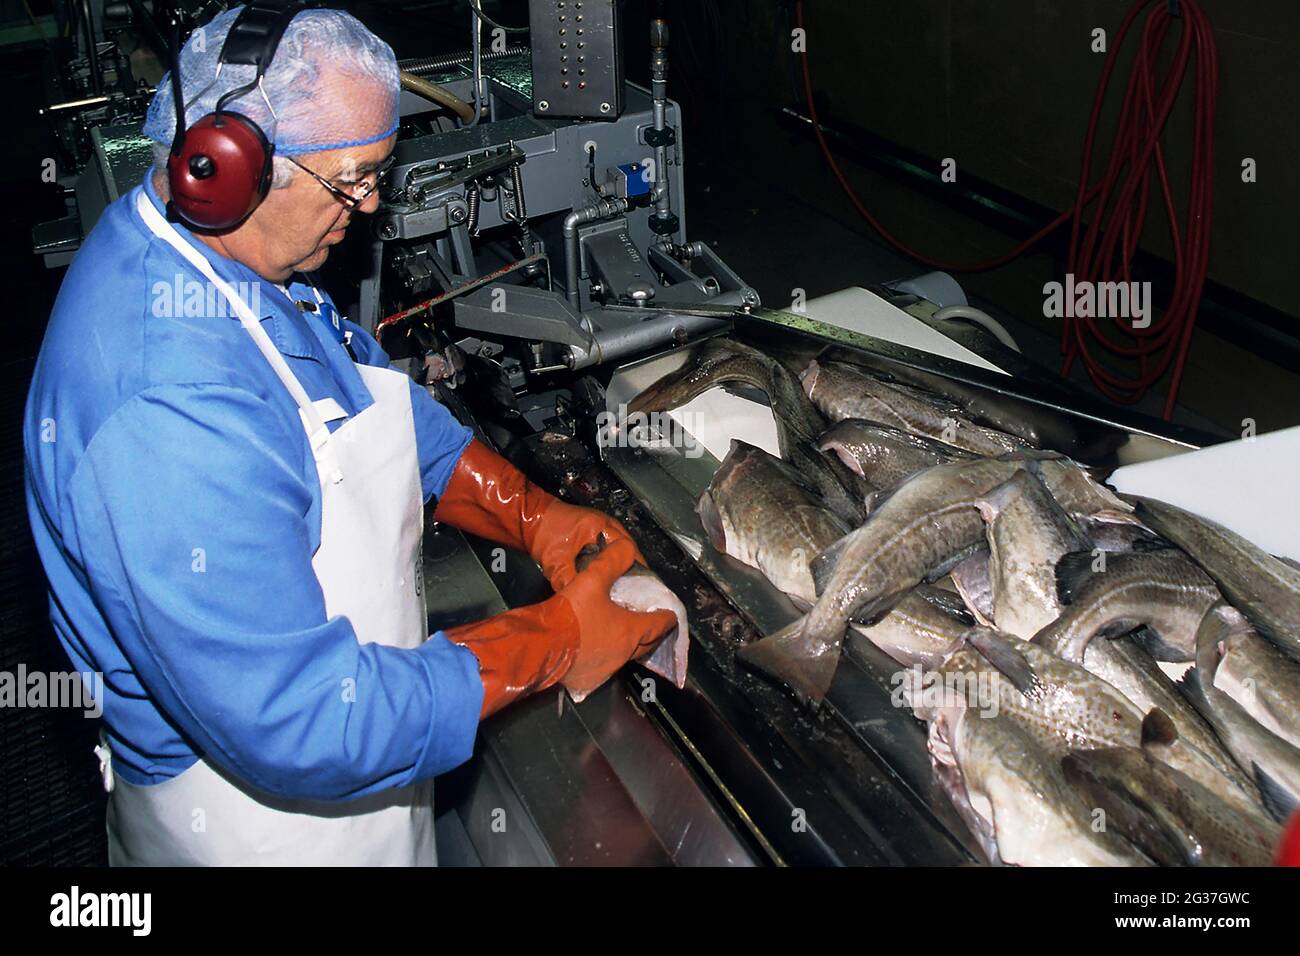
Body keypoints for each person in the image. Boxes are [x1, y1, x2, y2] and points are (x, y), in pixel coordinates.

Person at [22, 5, 675, 866]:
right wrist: (556, 641)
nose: (370, 206)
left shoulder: (234, 260)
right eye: (352, 179)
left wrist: (531, 514)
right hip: (254, 823)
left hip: (363, 779)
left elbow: (364, 398)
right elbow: (309, 718)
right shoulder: (166, 410)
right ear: (228, 170)